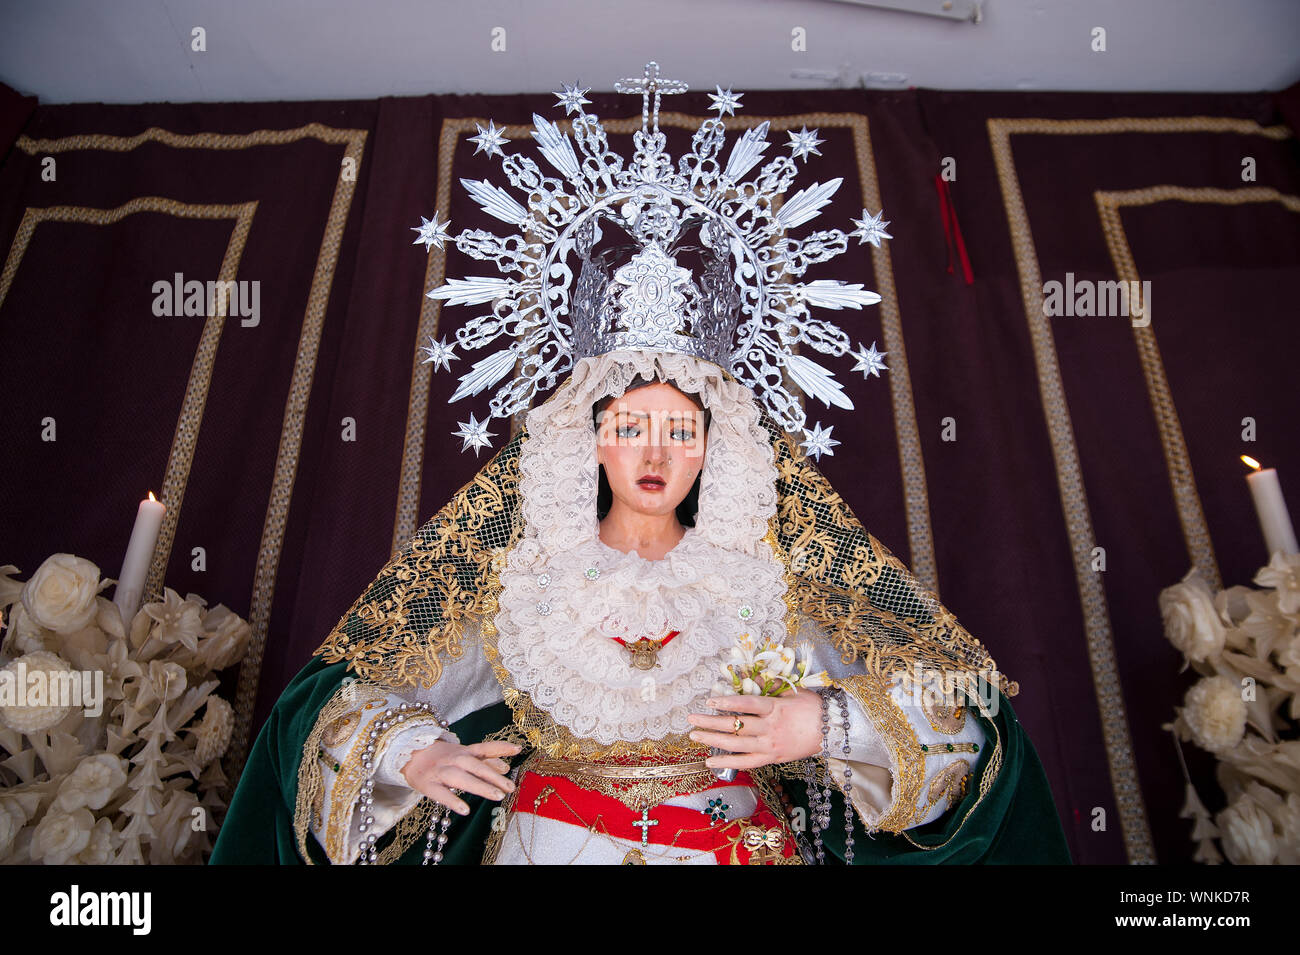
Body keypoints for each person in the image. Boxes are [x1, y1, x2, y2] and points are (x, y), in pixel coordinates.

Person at [210, 63, 1069, 866]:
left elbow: (963, 708)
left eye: (681, 433)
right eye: (629, 427)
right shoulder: (524, 569)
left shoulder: (765, 570)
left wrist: (825, 721)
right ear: (589, 437)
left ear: (716, 445)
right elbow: (335, 699)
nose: (656, 454)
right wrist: (416, 750)